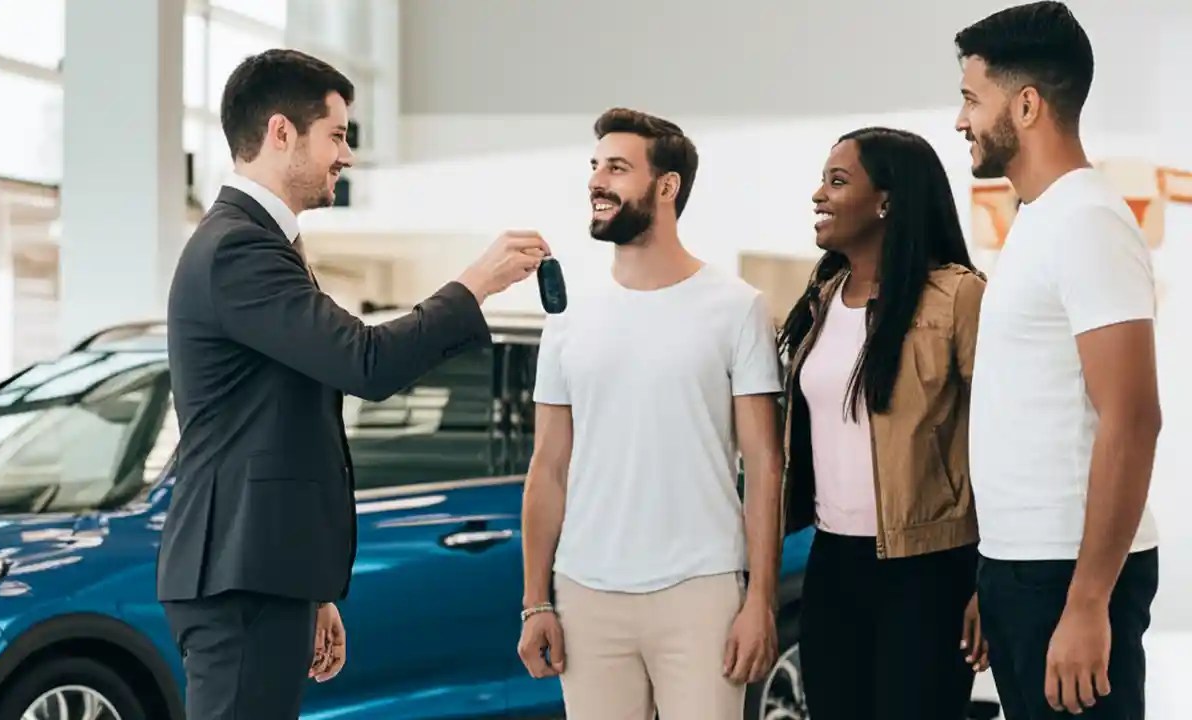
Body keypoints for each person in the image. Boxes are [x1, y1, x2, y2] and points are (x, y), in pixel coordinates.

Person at [157, 49, 550, 720]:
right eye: (337, 135)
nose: (348, 156)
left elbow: (281, 419)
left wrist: (309, 588)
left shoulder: (259, 244)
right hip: (238, 575)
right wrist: (476, 283)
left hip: (259, 572)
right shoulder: (239, 248)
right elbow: (365, 362)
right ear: (282, 132)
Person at [515, 107, 784, 720]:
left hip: (702, 592)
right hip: (586, 596)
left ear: (667, 186)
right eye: (594, 166)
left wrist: (760, 599)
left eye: (617, 167)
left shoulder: (736, 308)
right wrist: (537, 601)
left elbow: (766, 465)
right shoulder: (568, 320)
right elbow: (548, 468)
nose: (596, 181)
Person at [955, 3, 1162, 718]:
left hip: (1068, 578)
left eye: (971, 99)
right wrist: (996, 571)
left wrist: (1086, 602)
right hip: (1028, 568)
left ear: (1027, 104)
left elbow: (1132, 420)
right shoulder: (1042, 219)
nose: (962, 121)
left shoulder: (1089, 221)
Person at [774, 127, 988, 719]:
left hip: (929, 571)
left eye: (837, 181)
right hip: (832, 564)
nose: (819, 195)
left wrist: (986, 581)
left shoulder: (956, 298)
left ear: (886, 200)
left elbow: (999, 441)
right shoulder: (822, 298)